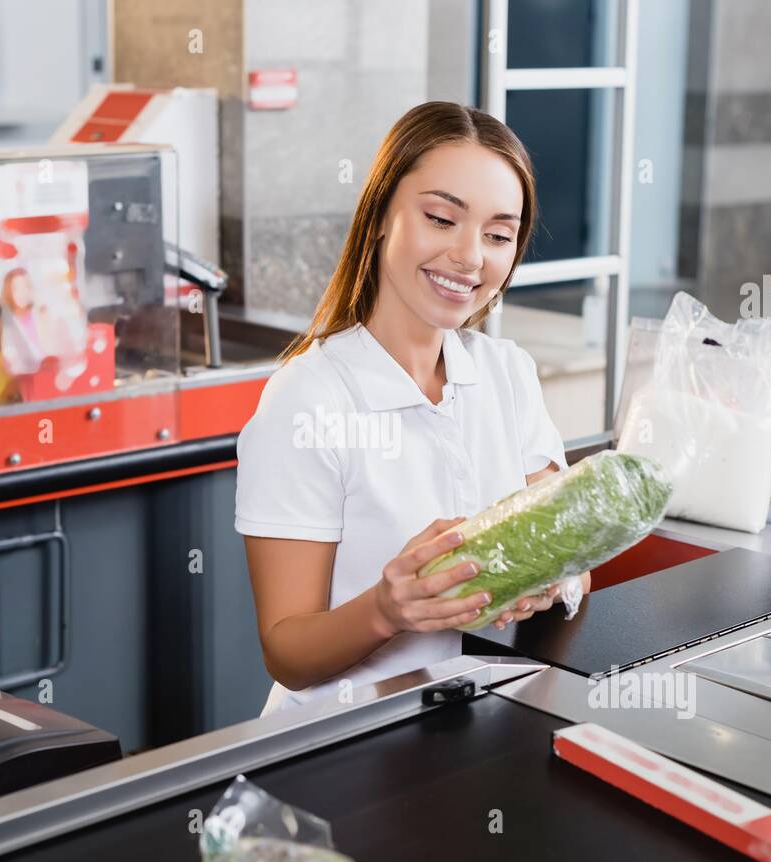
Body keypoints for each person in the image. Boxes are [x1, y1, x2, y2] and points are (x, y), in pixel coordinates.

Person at [235, 101, 590, 715]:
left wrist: (557, 577)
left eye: (498, 235)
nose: (470, 256)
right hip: (338, 742)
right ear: (379, 217)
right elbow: (286, 652)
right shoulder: (310, 398)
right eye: (440, 218)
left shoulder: (509, 375)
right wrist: (384, 609)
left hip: (483, 723)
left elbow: (572, 549)